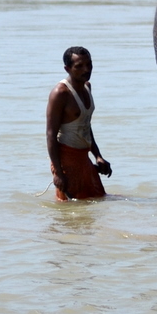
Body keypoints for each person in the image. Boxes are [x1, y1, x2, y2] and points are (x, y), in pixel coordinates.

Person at [45, 46, 112, 201]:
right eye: (79, 66)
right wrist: (58, 174)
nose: (86, 70)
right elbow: (50, 135)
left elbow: (86, 125)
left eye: (89, 64)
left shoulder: (87, 87)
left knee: (97, 200)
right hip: (66, 159)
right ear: (67, 69)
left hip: (83, 158)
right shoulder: (60, 93)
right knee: (74, 208)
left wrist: (98, 156)